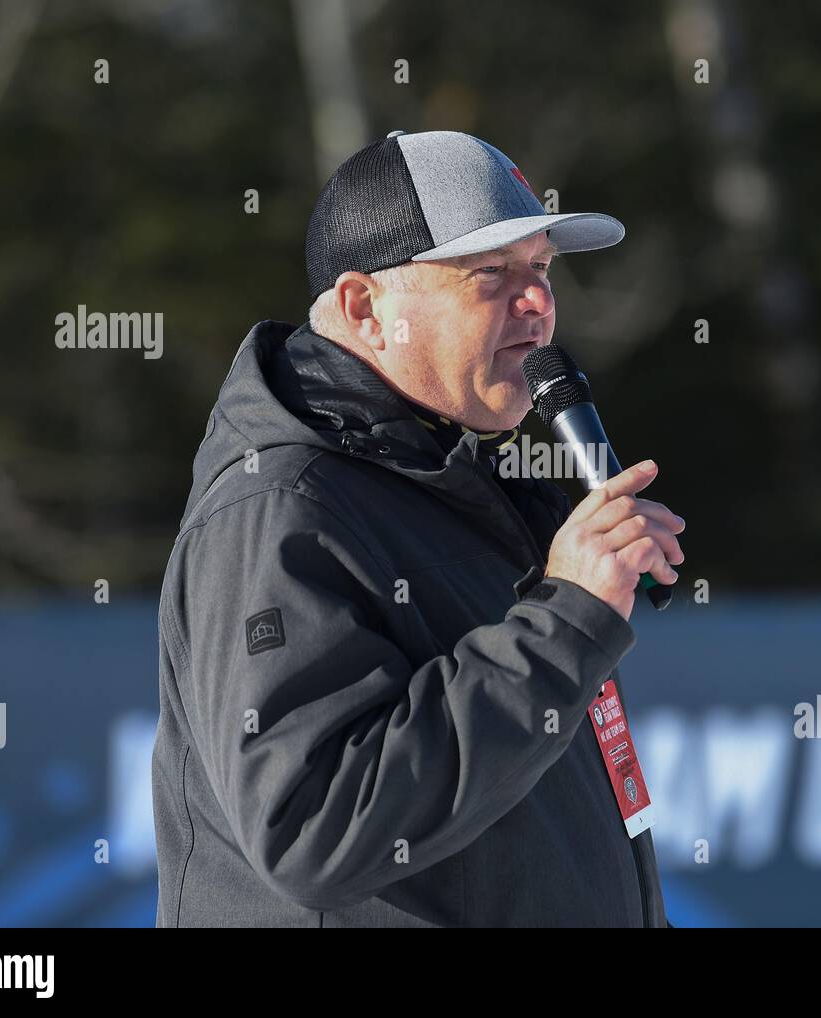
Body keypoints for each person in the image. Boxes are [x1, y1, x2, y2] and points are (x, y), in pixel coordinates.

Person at [151, 129, 685, 927]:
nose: (537, 302)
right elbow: (312, 828)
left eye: (541, 268)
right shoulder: (282, 508)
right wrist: (566, 620)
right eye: (490, 274)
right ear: (367, 308)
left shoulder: (453, 485)